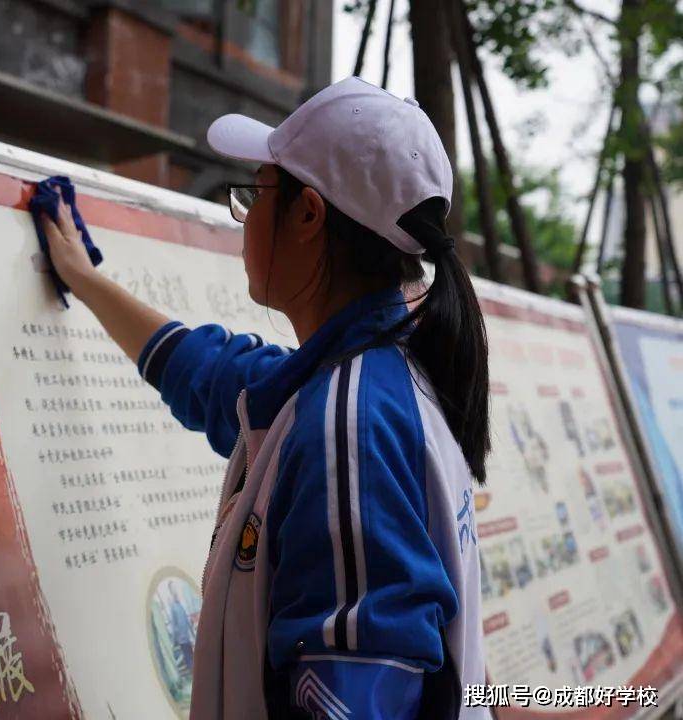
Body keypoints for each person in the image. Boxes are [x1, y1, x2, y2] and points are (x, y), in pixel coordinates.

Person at [38, 76, 490, 720]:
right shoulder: (373, 381)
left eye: (257, 194)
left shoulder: (349, 427)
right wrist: (85, 280)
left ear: (308, 215)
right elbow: (211, 373)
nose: (245, 219)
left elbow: (359, 697)